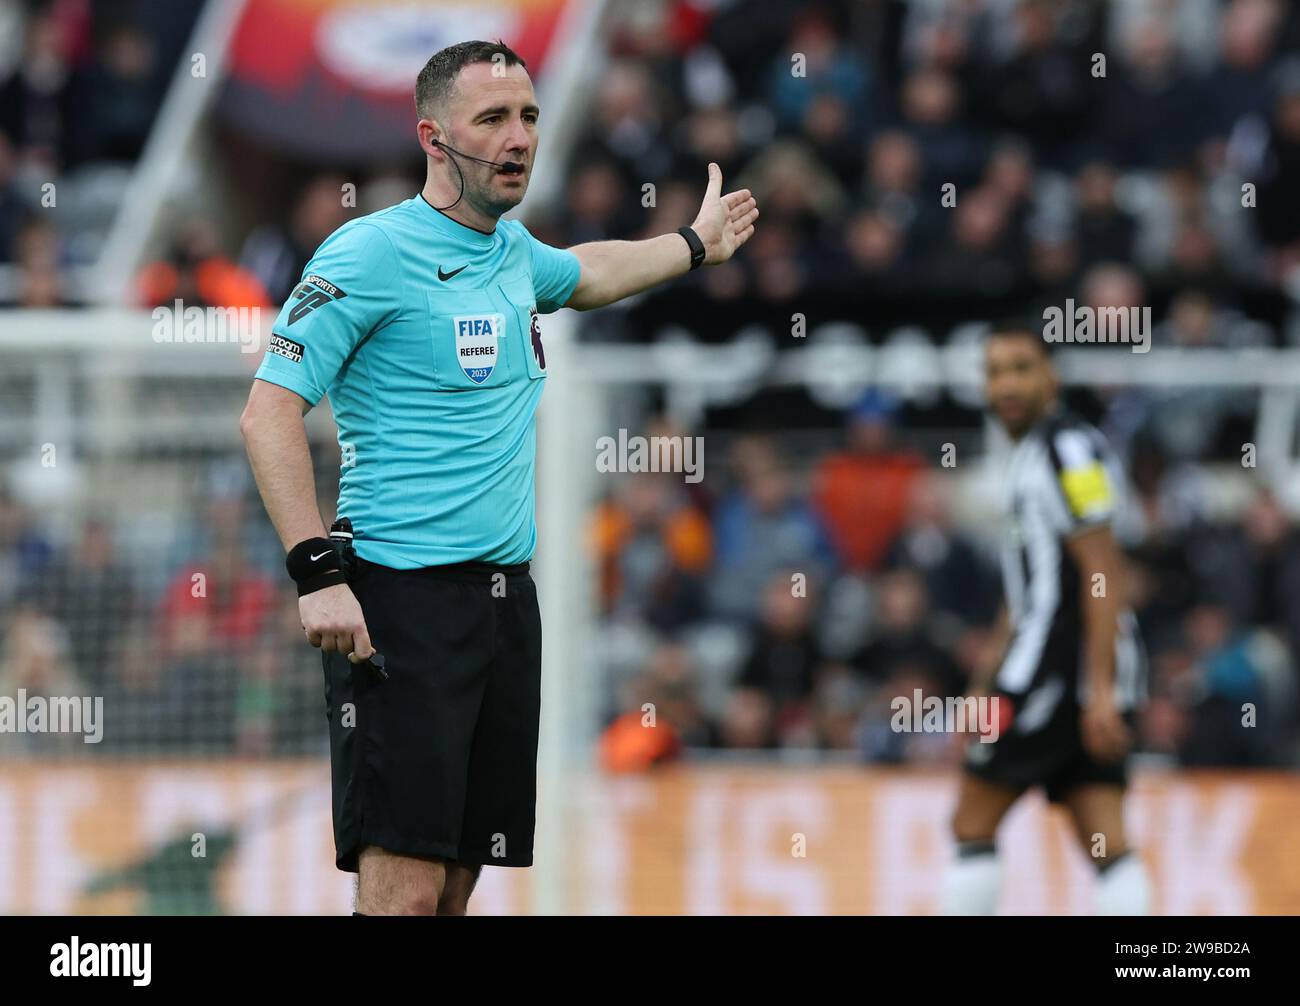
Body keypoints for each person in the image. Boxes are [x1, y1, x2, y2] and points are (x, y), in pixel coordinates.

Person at [239, 39, 758, 916]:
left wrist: (691, 246)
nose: (519, 138)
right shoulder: (368, 253)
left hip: (503, 605)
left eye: (528, 118)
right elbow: (268, 413)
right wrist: (315, 571)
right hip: (398, 604)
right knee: (399, 893)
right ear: (433, 138)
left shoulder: (512, 252)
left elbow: (588, 271)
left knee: (450, 893)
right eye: (493, 119)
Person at [942, 321, 1150, 915]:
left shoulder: (1069, 450)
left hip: (1058, 672)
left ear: (1051, 376)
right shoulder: (1033, 455)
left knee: (971, 822)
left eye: (1019, 368)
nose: (1004, 385)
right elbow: (1026, 591)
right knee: (1104, 835)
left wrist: (1100, 690)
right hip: (1066, 672)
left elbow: (1103, 569)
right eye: (993, 372)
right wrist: (983, 681)